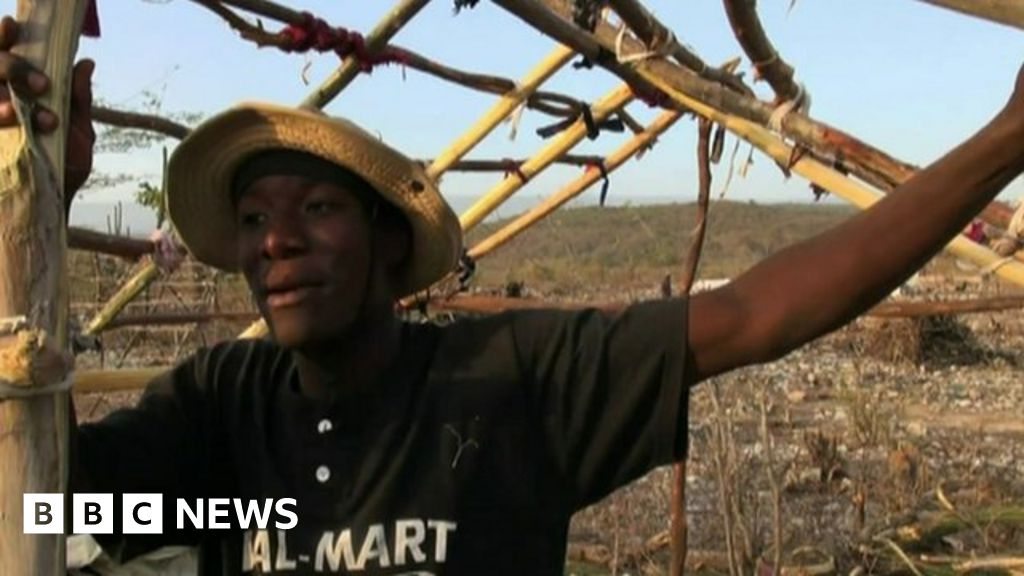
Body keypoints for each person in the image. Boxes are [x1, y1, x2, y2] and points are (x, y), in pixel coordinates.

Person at [2, 15, 1024, 576]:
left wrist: (1006, 138)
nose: (278, 240)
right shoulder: (224, 416)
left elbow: (757, 313)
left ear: (388, 238)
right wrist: (34, 196)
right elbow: (43, 501)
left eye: (317, 207)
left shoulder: (507, 385)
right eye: (255, 217)